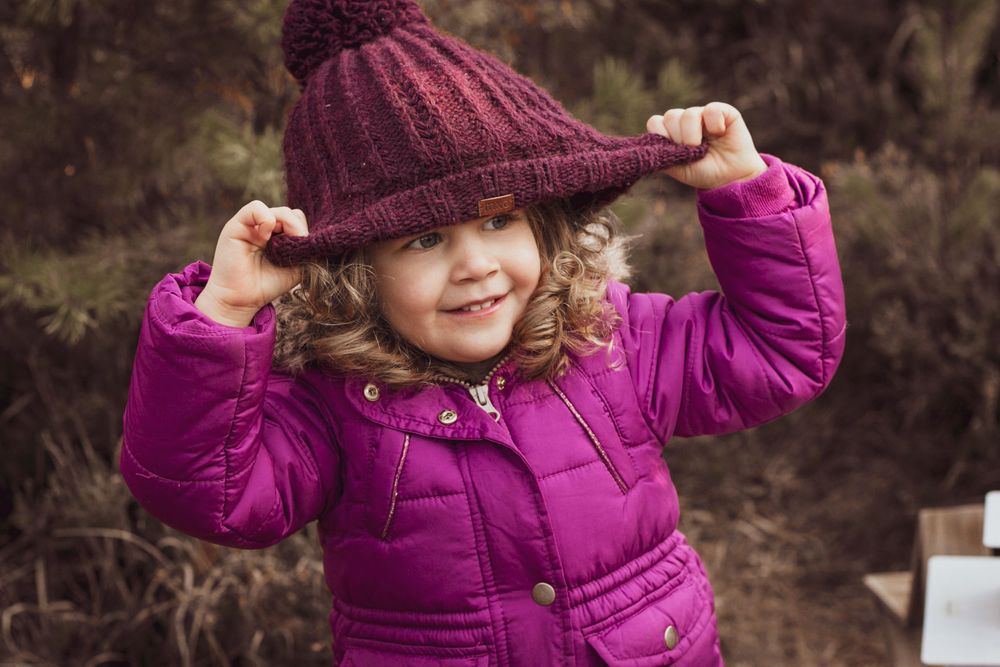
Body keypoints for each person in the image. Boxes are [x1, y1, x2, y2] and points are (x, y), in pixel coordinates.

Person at [119, 0, 847, 664]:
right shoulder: (333, 406)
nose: (475, 266)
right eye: (424, 239)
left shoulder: (611, 341)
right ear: (357, 269)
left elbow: (785, 350)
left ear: (544, 223)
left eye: (499, 221)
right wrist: (221, 314)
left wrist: (748, 193)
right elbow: (206, 493)